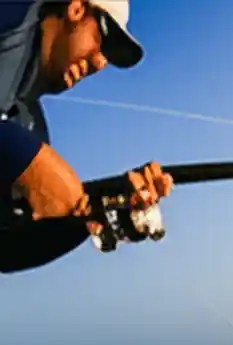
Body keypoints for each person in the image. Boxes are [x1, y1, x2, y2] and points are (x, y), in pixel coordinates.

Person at [0, 0, 172, 274]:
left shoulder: (31, 128)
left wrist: (91, 212)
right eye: (104, 38)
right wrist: (29, 160)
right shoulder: (14, 13)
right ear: (76, 9)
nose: (100, 63)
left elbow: (6, 252)